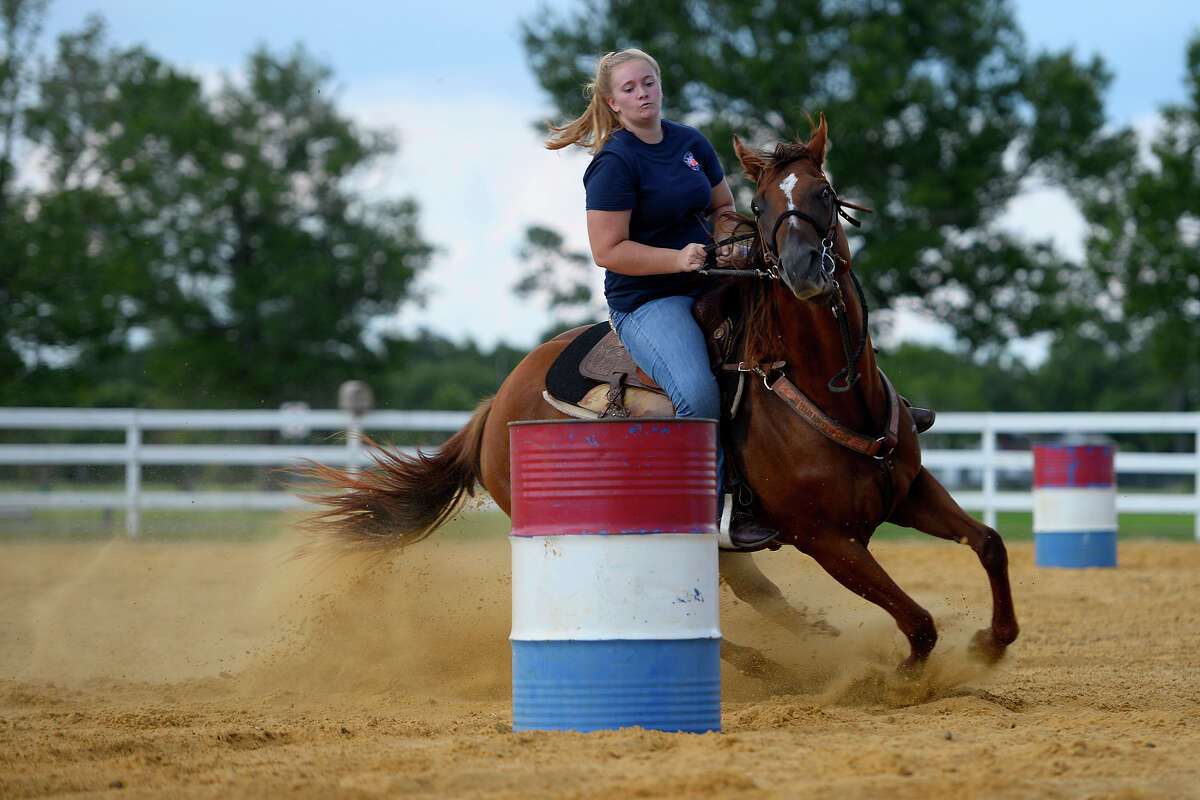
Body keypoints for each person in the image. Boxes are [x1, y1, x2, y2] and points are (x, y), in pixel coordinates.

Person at [545, 48, 777, 550]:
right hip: (648, 298)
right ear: (614, 102)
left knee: (801, 313)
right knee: (696, 393)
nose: (642, 93)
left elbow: (722, 205)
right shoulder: (614, 163)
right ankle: (706, 519)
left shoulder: (690, 142)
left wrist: (725, 239)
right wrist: (678, 260)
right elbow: (608, 250)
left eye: (648, 83)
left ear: (660, 85)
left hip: (712, 279)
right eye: (629, 89)